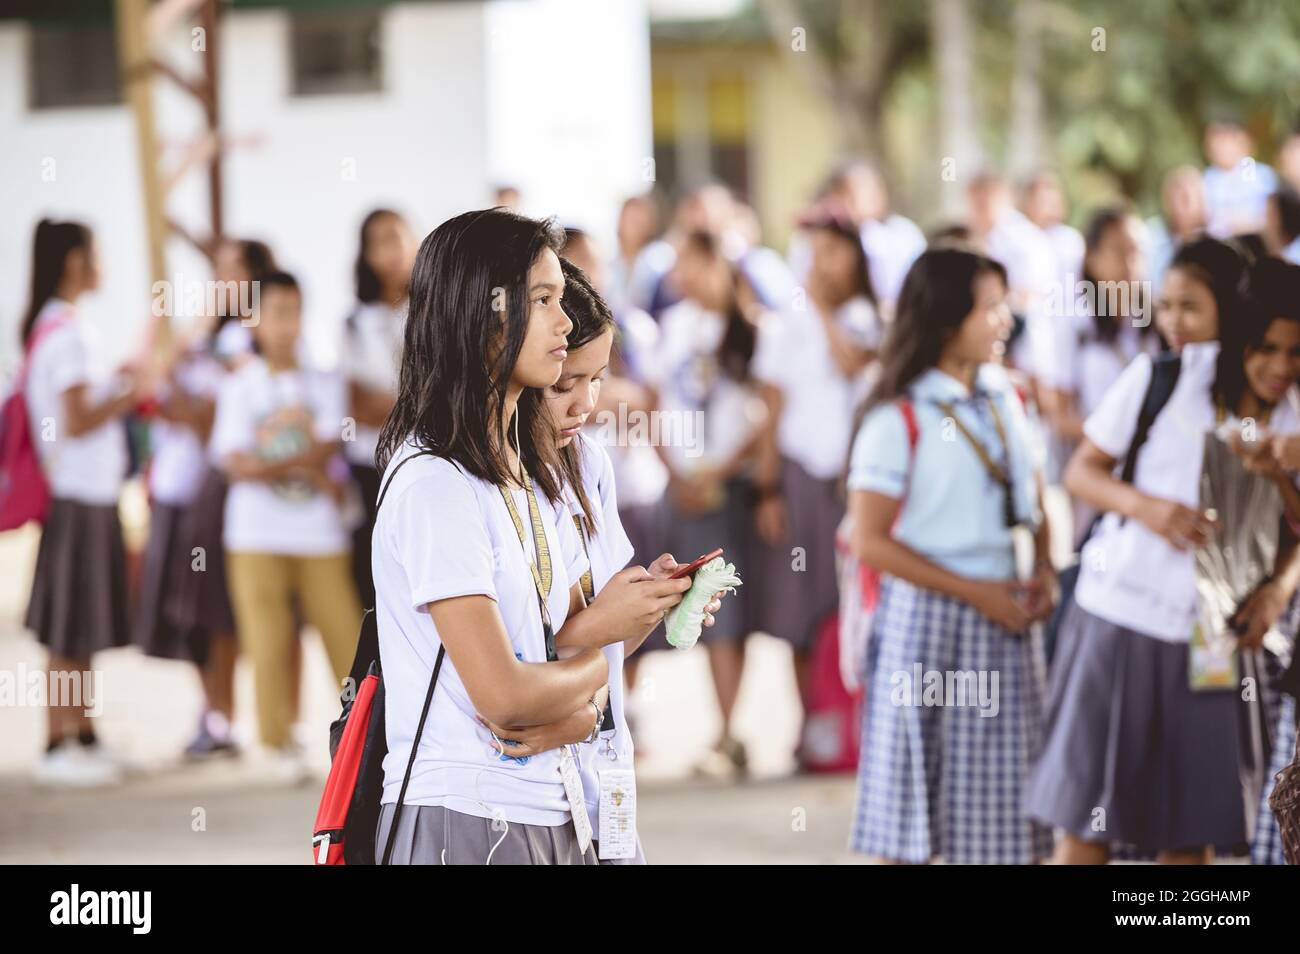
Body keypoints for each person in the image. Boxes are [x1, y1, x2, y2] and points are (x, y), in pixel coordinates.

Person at [369, 208, 691, 864]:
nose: (565, 321)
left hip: (552, 803)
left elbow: (554, 647)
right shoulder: (436, 482)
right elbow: (508, 696)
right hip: (466, 816)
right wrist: (590, 684)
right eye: (542, 300)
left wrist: (621, 636)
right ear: (479, 318)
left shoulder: (515, 470)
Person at [1025, 261, 1300, 864]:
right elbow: (1080, 472)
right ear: (1238, 336)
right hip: (1122, 621)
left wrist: (1279, 590)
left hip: (1214, 644)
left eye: (1296, 350)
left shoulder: (1292, 413)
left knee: (1188, 835)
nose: (1281, 366)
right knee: (1086, 829)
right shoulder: (1165, 380)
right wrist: (1148, 508)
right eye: (1266, 348)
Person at [847, 246, 1055, 864]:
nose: (1005, 321)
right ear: (945, 321)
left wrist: (1042, 568)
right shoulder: (898, 416)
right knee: (909, 813)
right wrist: (980, 593)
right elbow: (870, 542)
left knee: (1002, 815)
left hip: (1005, 611)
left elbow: (1035, 492)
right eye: (990, 308)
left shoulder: (1004, 397)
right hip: (928, 620)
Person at [537, 257, 724, 861]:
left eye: (598, 380)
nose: (586, 404)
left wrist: (651, 606)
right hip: (530, 783)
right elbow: (508, 666)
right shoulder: (479, 486)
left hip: (602, 765)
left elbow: (600, 648)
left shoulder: (591, 465)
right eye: (565, 384)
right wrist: (608, 624)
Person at [211, 271, 362, 782]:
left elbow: (328, 445)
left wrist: (271, 462)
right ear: (255, 319)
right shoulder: (238, 384)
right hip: (254, 535)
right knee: (268, 642)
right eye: (275, 312)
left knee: (345, 636)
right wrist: (304, 465)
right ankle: (276, 742)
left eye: (293, 311)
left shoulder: (324, 378)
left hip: (319, 535)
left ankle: (361, 733)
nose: (284, 324)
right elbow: (234, 462)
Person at [22, 219, 143, 786]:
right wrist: (130, 393)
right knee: (68, 628)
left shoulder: (59, 326)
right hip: (77, 495)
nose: (103, 262)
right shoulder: (67, 333)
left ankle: (83, 736)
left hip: (84, 494)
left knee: (81, 623)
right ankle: (56, 743)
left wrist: (115, 387)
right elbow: (77, 418)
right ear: (74, 260)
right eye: (96, 251)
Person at [752, 210, 881, 739]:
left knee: (847, 601)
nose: (823, 263)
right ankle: (812, 727)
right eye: (815, 252)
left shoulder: (866, 316)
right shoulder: (785, 320)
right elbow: (772, 407)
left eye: (835, 251)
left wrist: (824, 310)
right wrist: (768, 489)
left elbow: (853, 363)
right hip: (801, 477)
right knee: (798, 606)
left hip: (853, 481)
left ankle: (851, 728)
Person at [649, 228, 766, 777]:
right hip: (681, 484)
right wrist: (672, 468)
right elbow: (654, 402)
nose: (683, 275)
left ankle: (727, 729)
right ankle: (717, 729)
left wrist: (720, 471)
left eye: (692, 262)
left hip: (728, 486)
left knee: (723, 606)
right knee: (682, 603)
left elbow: (765, 414)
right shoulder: (672, 327)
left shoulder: (751, 329)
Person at [341, 208, 417, 608]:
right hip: (370, 467)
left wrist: (388, 404)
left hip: (421, 459)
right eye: (379, 242)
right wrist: (417, 404)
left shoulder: (433, 314)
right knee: (375, 584)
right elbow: (357, 407)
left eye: (398, 236)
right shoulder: (355, 322)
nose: (392, 250)